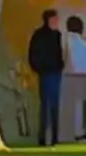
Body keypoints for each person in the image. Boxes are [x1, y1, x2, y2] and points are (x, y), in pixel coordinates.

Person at [27, 9, 64, 146]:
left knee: (54, 105)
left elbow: (60, 53)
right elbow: (33, 54)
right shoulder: (39, 35)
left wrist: (60, 65)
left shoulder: (57, 35)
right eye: (54, 19)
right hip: (45, 73)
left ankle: (54, 136)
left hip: (55, 72)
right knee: (46, 104)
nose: (56, 22)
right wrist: (38, 68)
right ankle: (43, 136)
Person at [61, 15, 86, 141]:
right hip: (85, 74)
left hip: (70, 75)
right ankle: (81, 131)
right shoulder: (85, 44)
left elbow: (64, 56)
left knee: (71, 105)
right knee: (82, 104)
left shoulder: (67, 40)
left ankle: (71, 132)